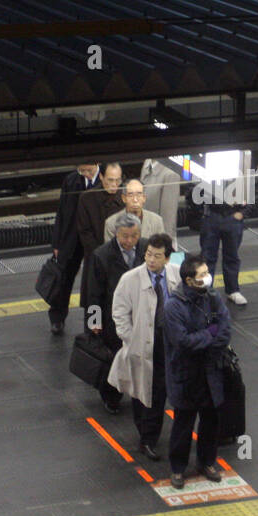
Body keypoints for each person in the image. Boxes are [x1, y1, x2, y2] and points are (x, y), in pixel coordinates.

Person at [163, 254, 231, 489]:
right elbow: (182, 342)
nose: (207, 277)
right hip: (186, 373)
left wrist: (208, 338)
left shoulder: (212, 298)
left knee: (211, 421)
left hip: (211, 370)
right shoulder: (174, 306)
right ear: (189, 280)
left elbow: (225, 329)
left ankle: (207, 461)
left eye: (206, 272)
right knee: (184, 423)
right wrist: (209, 334)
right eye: (202, 275)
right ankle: (178, 468)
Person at [110, 233, 179, 461]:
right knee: (144, 393)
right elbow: (119, 312)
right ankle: (147, 439)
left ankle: (150, 436)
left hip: (169, 344)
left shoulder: (176, 274)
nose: (151, 260)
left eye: (157, 256)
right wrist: (130, 338)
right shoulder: (130, 279)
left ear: (167, 259)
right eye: (148, 254)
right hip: (143, 345)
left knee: (159, 393)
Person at [84, 214, 147, 414]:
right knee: (113, 358)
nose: (129, 241)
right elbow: (93, 293)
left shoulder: (148, 249)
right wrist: (94, 323)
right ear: (116, 234)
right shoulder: (101, 256)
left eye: (134, 236)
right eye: (124, 236)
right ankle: (111, 397)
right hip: (114, 318)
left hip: (142, 315)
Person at [46, 162, 101, 334]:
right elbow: (61, 212)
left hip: (95, 240)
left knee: (95, 285)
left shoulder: (106, 178)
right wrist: (57, 243)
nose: (86, 174)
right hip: (72, 238)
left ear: (97, 165)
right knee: (63, 279)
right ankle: (57, 318)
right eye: (82, 171)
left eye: (89, 171)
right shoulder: (71, 181)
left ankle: (94, 322)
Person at [196, 152, 249, 306]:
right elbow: (196, 189)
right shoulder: (209, 161)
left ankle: (233, 290)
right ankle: (206, 291)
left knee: (232, 256)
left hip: (232, 216)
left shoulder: (241, 161)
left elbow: (251, 188)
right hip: (212, 215)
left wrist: (242, 213)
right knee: (207, 257)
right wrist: (202, 213)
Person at [77, 162, 126, 260]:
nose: (114, 184)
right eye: (110, 180)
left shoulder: (126, 196)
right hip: (96, 256)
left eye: (118, 180)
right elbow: (85, 233)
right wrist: (101, 254)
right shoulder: (87, 198)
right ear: (101, 176)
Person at [139, 158, 182, 248]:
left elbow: (168, 219)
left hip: (159, 244)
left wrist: (164, 248)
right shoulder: (147, 163)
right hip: (144, 236)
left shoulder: (171, 173)